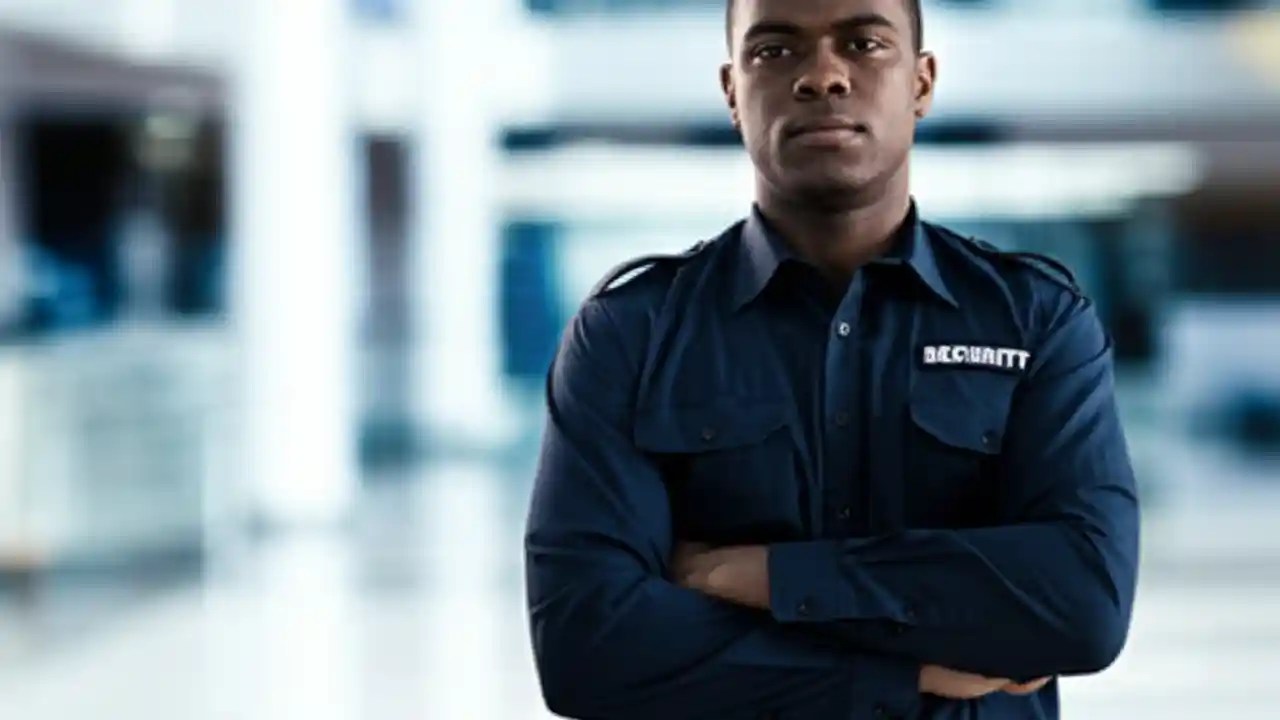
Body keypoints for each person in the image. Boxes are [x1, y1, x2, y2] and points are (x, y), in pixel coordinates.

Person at [524, 0, 1140, 717]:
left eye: (864, 43)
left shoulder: (1036, 320)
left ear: (921, 82)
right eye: (775, 52)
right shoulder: (631, 333)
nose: (822, 75)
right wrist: (903, 675)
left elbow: (1084, 605)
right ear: (732, 91)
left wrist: (770, 577)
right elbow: (584, 647)